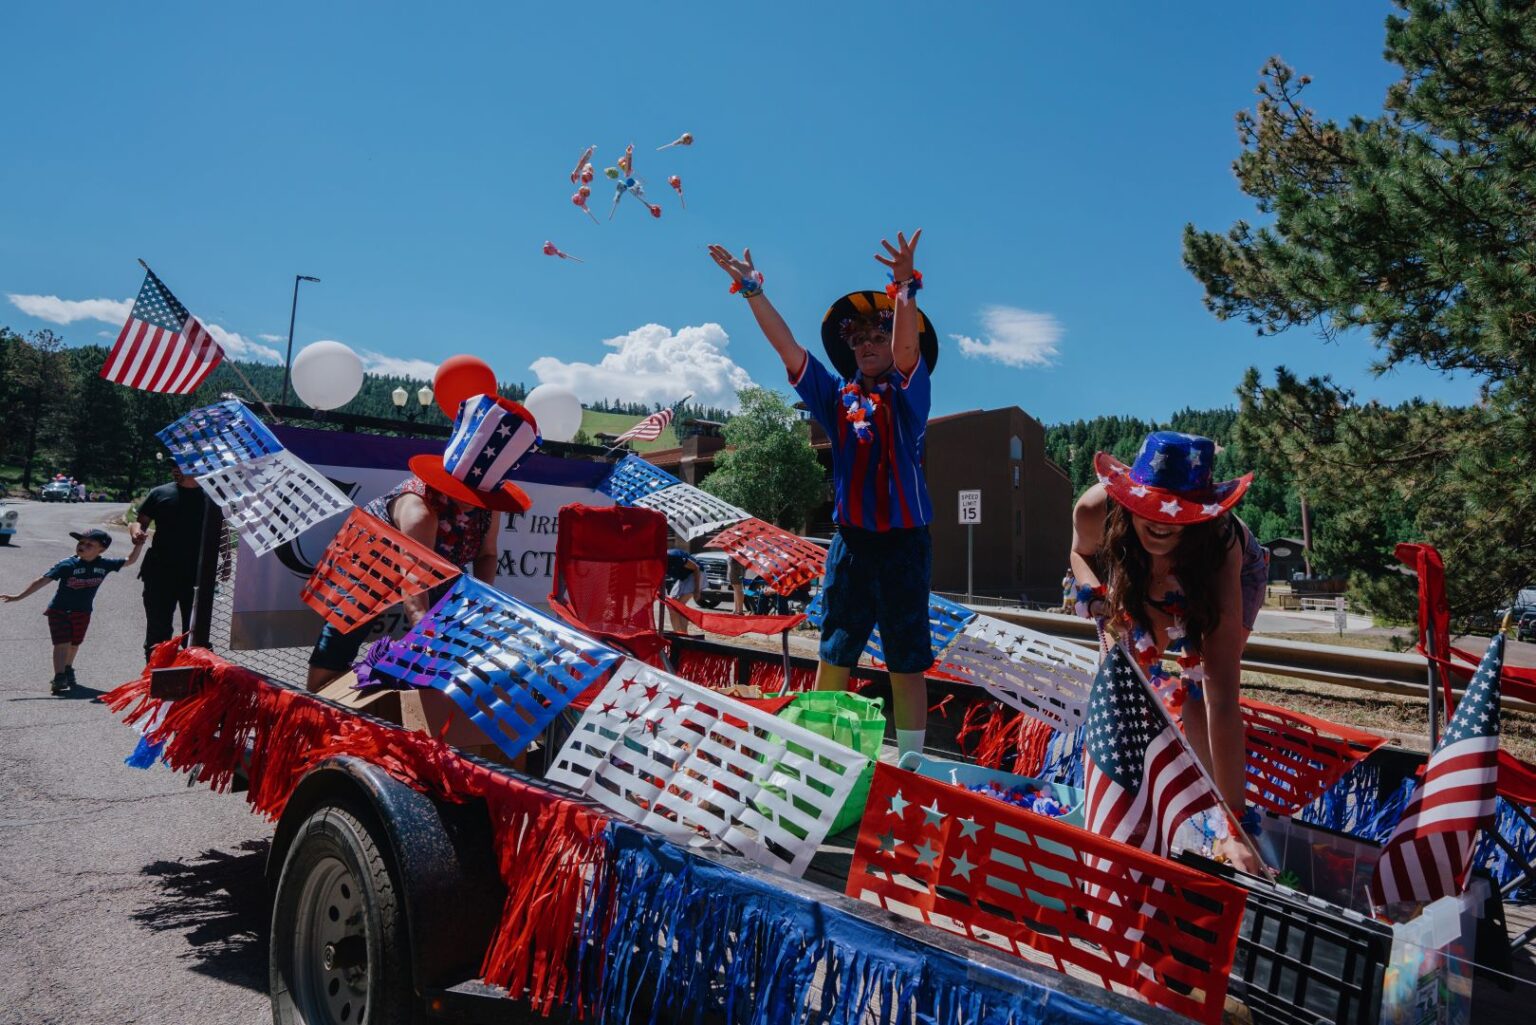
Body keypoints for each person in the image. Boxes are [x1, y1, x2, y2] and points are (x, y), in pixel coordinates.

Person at [708, 230, 938, 758]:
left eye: (878, 336)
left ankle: (912, 767)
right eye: (858, 340)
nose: (868, 345)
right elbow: (787, 348)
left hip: (905, 545)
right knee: (834, 650)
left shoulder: (910, 394)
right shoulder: (835, 396)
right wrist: (751, 289)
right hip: (851, 545)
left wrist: (904, 286)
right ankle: (814, 756)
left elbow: (907, 351)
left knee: (907, 660)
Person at [1068, 431, 1268, 871]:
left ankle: (1219, 820)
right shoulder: (1094, 509)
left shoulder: (1222, 547)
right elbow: (1080, 554)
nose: (1162, 523)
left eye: (1175, 513)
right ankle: (1123, 801)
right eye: (1150, 508)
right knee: (1124, 679)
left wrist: (1237, 829)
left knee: (1198, 692)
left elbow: (1223, 700)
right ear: (1128, 501)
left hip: (1217, 574)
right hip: (1135, 571)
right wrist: (1092, 591)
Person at [305, 394, 539, 691]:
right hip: (372, 563)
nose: (472, 505)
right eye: (465, 496)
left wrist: (480, 604)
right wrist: (428, 645)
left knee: (458, 624)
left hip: (439, 567)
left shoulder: (486, 508)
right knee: (343, 632)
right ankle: (316, 701)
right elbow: (415, 590)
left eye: (478, 499)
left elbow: (487, 555)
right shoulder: (420, 511)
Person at [2, 528, 145, 693]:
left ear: (102, 549)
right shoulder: (67, 564)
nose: (82, 546)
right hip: (59, 611)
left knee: (74, 643)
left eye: (89, 544)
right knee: (61, 643)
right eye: (81, 543)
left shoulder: (105, 564)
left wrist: (139, 545)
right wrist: (19, 596)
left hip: (83, 612)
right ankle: (59, 677)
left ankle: (68, 668)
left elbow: (129, 561)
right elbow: (42, 580)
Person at [130, 464, 208, 662]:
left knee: (195, 633)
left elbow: (221, 532)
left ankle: (192, 680)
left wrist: (226, 562)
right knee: (158, 630)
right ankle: (155, 678)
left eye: (181, 466)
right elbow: (139, 521)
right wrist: (136, 532)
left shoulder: (211, 496)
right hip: (159, 572)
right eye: (173, 466)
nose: (175, 470)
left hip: (198, 575)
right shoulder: (160, 493)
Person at [664, 547, 703, 631]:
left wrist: (697, 590)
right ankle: (678, 633)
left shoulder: (674, 557)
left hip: (697, 573)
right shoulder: (658, 562)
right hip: (683, 577)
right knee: (672, 606)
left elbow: (696, 568)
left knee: (680, 605)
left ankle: (684, 634)